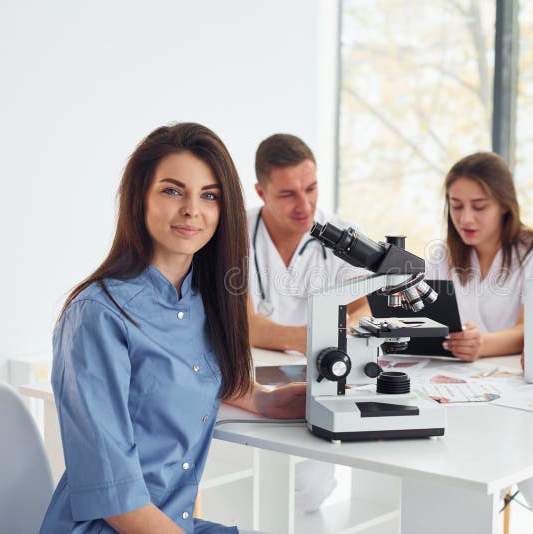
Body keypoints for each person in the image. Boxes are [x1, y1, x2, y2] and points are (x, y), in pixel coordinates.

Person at [40, 123, 305, 534]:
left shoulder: (205, 300)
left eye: (209, 195)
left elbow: (197, 374)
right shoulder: (97, 315)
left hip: (172, 523)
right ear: (139, 198)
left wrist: (272, 402)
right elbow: (117, 500)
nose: (191, 210)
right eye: (172, 190)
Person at [426, 152, 533, 361]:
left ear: (504, 204)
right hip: (453, 374)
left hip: (513, 376)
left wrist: (480, 344)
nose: (465, 218)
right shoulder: (442, 255)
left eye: (479, 206)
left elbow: (532, 329)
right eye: (456, 206)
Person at [246, 133, 370, 355]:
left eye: (311, 189)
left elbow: (363, 307)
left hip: (323, 363)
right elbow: (244, 326)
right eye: (288, 195)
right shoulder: (235, 233)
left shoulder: (345, 235)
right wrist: (314, 337)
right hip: (254, 369)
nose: (304, 206)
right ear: (261, 192)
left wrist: (349, 333)